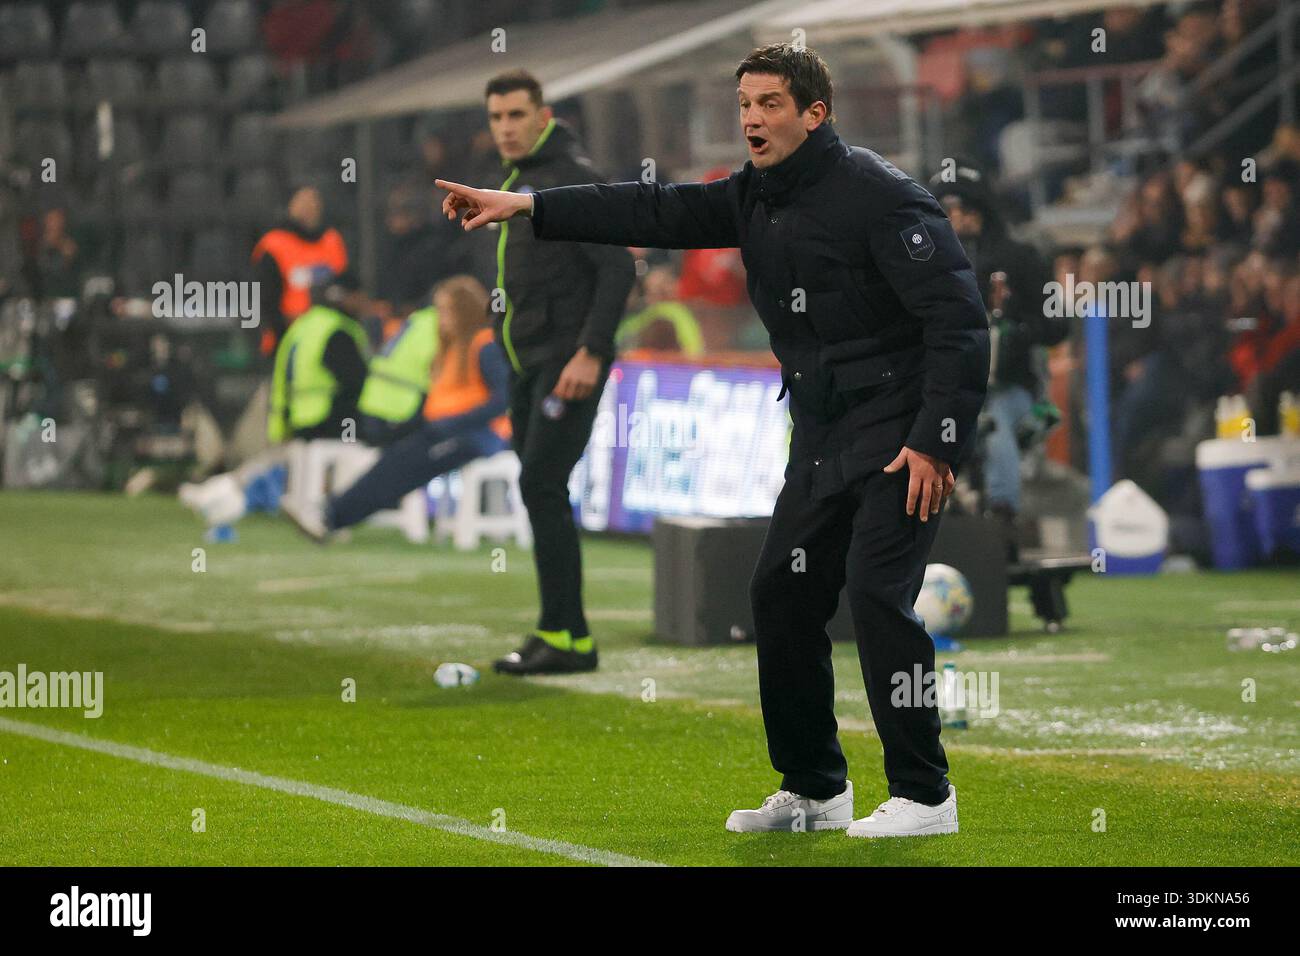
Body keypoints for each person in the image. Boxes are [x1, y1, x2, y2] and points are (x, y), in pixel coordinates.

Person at [436, 43, 989, 838]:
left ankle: (926, 795)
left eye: (768, 104)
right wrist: (529, 208)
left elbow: (959, 322)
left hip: (900, 433)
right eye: (744, 105)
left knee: (875, 593)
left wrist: (938, 439)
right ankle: (814, 789)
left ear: (813, 113)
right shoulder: (751, 196)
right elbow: (649, 209)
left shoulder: (882, 198)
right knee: (780, 595)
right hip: (824, 430)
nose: (752, 120)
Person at [468, 70, 636, 676]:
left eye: (517, 115)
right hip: (527, 365)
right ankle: (562, 633)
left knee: (541, 484)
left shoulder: (572, 180)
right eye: (497, 117)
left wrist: (590, 351)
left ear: (543, 116)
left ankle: (568, 636)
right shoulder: (517, 183)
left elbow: (618, 270)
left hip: (565, 364)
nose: (506, 128)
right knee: (540, 487)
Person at [280, 275, 510, 539]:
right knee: (396, 461)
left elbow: (503, 400)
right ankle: (331, 514)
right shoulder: (456, 346)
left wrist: (452, 423)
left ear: (465, 310)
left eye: (447, 310)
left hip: (475, 436)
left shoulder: (484, 345)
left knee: (405, 467)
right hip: (446, 431)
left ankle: (331, 516)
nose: (441, 318)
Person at [929, 162, 1066, 553]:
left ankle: (1003, 521)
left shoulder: (1021, 258)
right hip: (942, 390)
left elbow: (1058, 325)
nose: (955, 218)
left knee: (992, 423)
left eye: (963, 208)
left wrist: (1018, 335)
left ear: (982, 209)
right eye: (947, 209)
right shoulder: (922, 261)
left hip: (1010, 391)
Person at [250, 186, 349, 357]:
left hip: (329, 339)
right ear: (290, 205)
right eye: (303, 201)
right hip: (287, 340)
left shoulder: (332, 240)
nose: (310, 207)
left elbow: (344, 285)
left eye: (314, 201)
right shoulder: (274, 245)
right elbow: (265, 302)